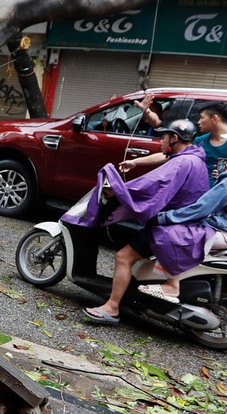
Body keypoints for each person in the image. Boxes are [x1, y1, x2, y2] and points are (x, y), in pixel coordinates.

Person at [64, 119, 209, 324]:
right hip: (182, 224)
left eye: (164, 136)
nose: (160, 141)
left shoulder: (181, 162)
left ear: (175, 138)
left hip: (169, 228)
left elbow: (151, 186)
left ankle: (112, 307)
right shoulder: (195, 160)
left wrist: (118, 189)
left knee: (124, 257)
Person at [141, 123, 227, 302]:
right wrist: (226, 178)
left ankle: (172, 286)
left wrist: (164, 217)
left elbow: (202, 208)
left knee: (168, 233)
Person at [120, 102, 227, 185]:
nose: (199, 122)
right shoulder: (200, 141)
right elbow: (173, 155)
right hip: (198, 195)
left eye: (201, 118)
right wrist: (135, 162)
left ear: (214, 118)